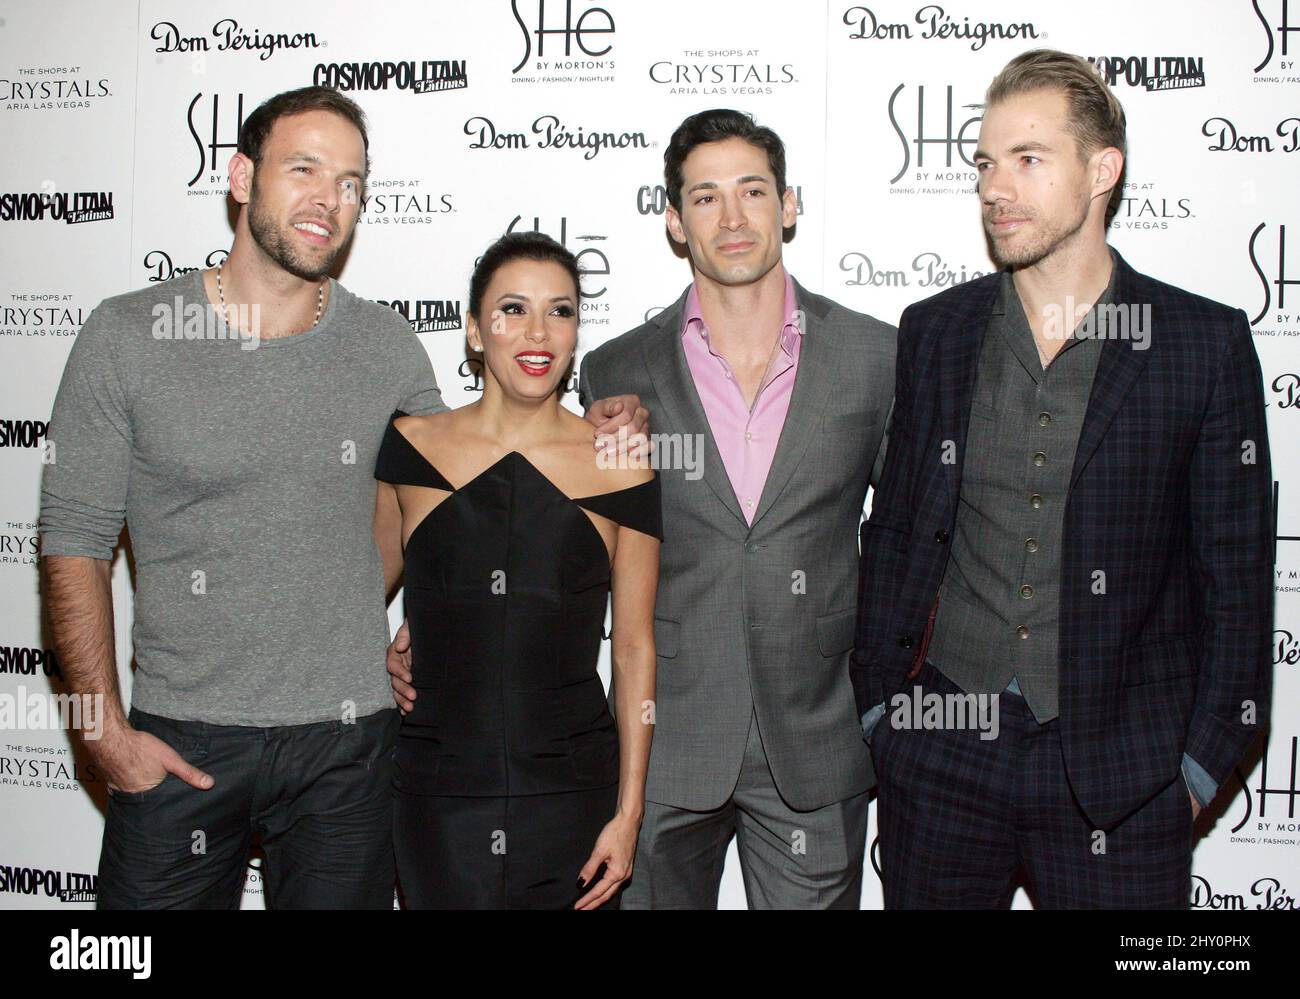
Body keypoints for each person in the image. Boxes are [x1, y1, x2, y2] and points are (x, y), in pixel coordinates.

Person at [38, 85, 647, 910]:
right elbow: (72, 542)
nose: (330, 199)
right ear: (241, 176)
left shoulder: (387, 347)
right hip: (181, 743)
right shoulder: (126, 335)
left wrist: (611, 412)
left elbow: (473, 499)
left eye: (352, 182)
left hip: (351, 754)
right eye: (305, 169)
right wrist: (101, 733)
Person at [395, 108, 896, 909]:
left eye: (752, 191)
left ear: (790, 204)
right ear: (673, 219)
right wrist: (436, 621)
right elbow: (550, 524)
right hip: (662, 750)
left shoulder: (876, 355)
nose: (731, 218)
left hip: (815, 738)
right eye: (704, 197)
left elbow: (909, 539)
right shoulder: (614, 369)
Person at [852, 49, 1273, 908]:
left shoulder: (1200, 344)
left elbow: (1235, 580)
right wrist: (882, 716)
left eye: (1028, 160)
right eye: (984, 163)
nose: (994, 188)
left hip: (1123, 773)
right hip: (941, 752)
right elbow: (893, 530)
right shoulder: (937, 330)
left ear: (1102, 171)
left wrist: (1194, 767)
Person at [375, 232, 659, 910]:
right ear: (474, 330)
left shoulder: (622, 459)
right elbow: (354, 597)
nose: (537, 332)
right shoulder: (411, 446)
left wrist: (628, 813)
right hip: (436, 796)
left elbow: (634, 646)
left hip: (572, 797)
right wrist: (379, 653)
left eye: (559, 311)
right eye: (512, 309)